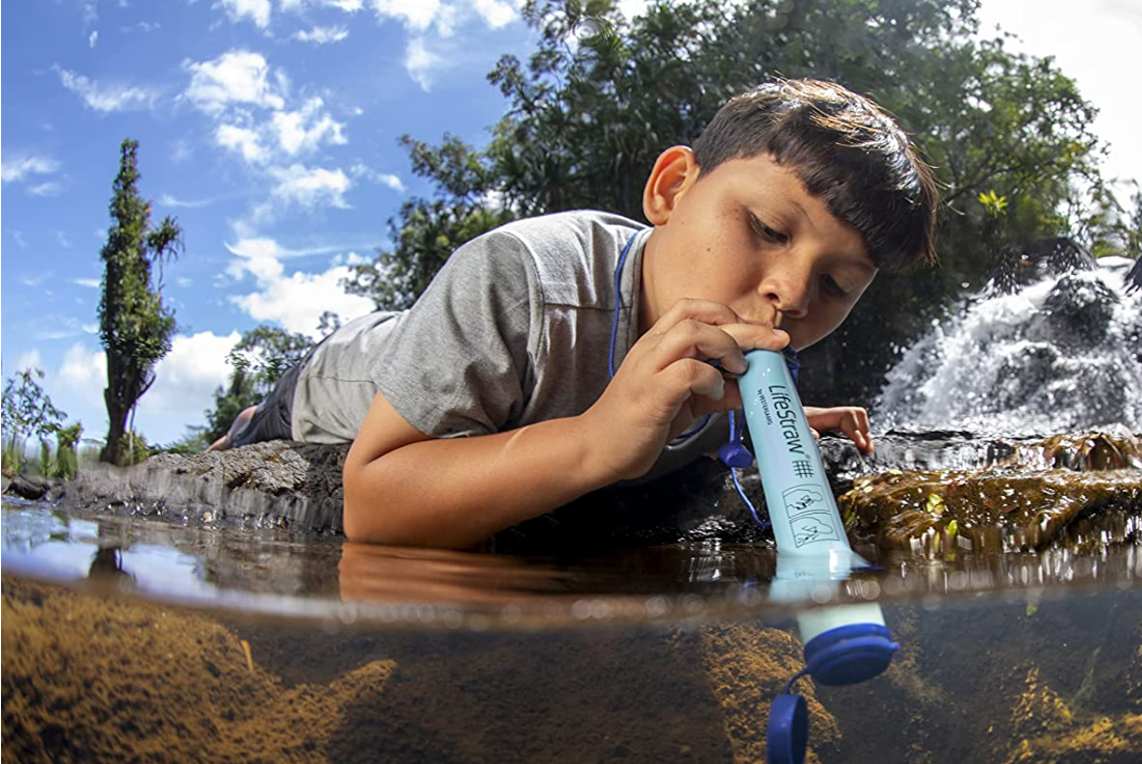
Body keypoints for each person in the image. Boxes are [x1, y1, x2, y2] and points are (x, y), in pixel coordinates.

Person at [209, 78, 939, 549]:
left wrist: (780, 420)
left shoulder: (738, 337)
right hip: (346, 380)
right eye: (768, 230)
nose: (793, 292)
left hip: (489, 372)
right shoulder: (520, 280)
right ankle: (246, 422)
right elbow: (373, 505)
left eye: (838, 284)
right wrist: (593, 441)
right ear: (673, 189)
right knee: (268, 428)